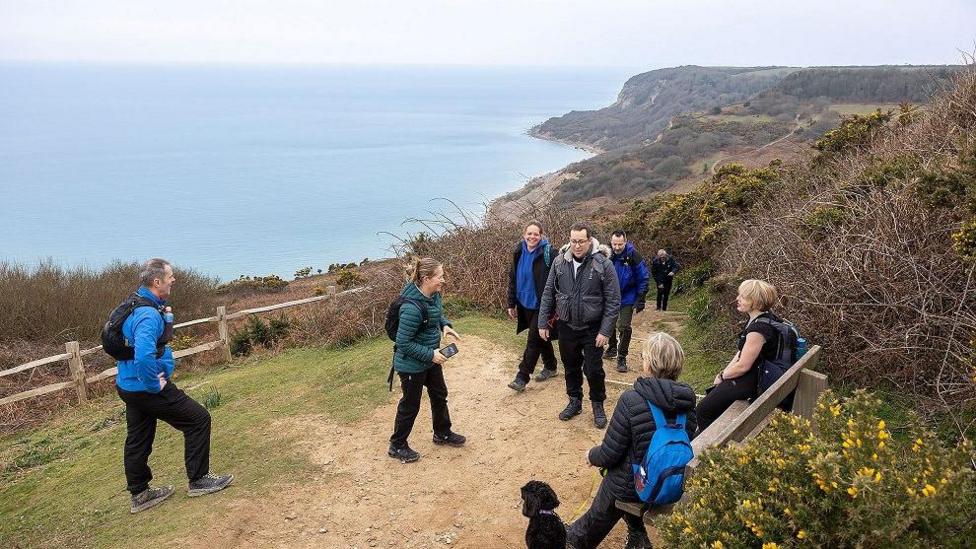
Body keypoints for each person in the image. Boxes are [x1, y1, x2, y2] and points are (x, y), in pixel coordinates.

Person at [114, 258, 232, 514]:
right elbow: (143, 356)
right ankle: (199, 479)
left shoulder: (135, 304)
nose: (174, 279)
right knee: (198, 419)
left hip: (127, 384)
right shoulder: (147, 314)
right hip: (145, 386)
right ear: (157, 281)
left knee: (138, 437)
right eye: (170, 276)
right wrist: (155, 385)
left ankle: (140, 494)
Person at [566, 332, 697, 549]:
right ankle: (638, 537)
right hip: (669, 483)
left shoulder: (632, 400)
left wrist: (592, 456)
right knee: (629, 464)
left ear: (649, 364)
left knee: (615, 479)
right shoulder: (688, 406)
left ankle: (576, 539)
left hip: (637, 486)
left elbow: (610, 454)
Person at [538, 223, 620, 429]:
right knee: (570, 367)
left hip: (593, 328)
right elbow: (548, 293)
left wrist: (605, 331)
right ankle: (574, 401)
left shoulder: (603, 264)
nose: (577, 245)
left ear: (589, 241)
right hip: (566, 325)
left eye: (581, 241)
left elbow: (613, 300)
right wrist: (543, 322)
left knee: (593, 370)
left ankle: (597, 404)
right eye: (573, 241)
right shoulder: (560, 262)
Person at [389, 257, 466, 463]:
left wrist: (445, 325)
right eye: (440, 276)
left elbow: (435, 314)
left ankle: (442, 433)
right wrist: (431, 354)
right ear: (426, 279)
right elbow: (403, 342)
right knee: (410, 405)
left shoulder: (434, 294)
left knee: (439, 394)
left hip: (430, 359)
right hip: (411, 365)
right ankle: (397, 445)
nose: (443, 280)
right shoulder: (411, 309)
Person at [695, 279, 784, 432]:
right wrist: (723, 374)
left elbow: (743, 366)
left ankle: (710, 443)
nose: (737, 299)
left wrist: (722, 376)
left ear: (755, 302)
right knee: (713, 396)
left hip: (757, 381)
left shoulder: (759, 330)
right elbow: (740, 353)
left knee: (703, 410)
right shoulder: (763, 319)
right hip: (757, 375)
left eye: (742, 297)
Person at [507, 220, 559, 392]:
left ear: (541, 235)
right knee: (540, 337)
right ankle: (551, 366)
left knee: (533, 340)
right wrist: (511, 303)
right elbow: (512, 279)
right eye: (529, 233)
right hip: (524, 304)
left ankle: (522, 377)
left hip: (542, 305)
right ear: (524, 234)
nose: (532, 237)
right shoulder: (518, 251)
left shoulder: (549, 253)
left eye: (536, 234)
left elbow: (560, 275)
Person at [605, 231, 650, 373]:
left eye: (620, 244)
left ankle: (622, 356)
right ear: (611, 242)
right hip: (610, 295)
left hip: (627, 296)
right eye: (614, 244)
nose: (617, 247)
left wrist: (641, 297)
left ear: (625, 242)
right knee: (609, 323)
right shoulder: (605, 254)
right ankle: (612, 347)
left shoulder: (633, 255)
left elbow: (643, 276)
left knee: (624, 326)